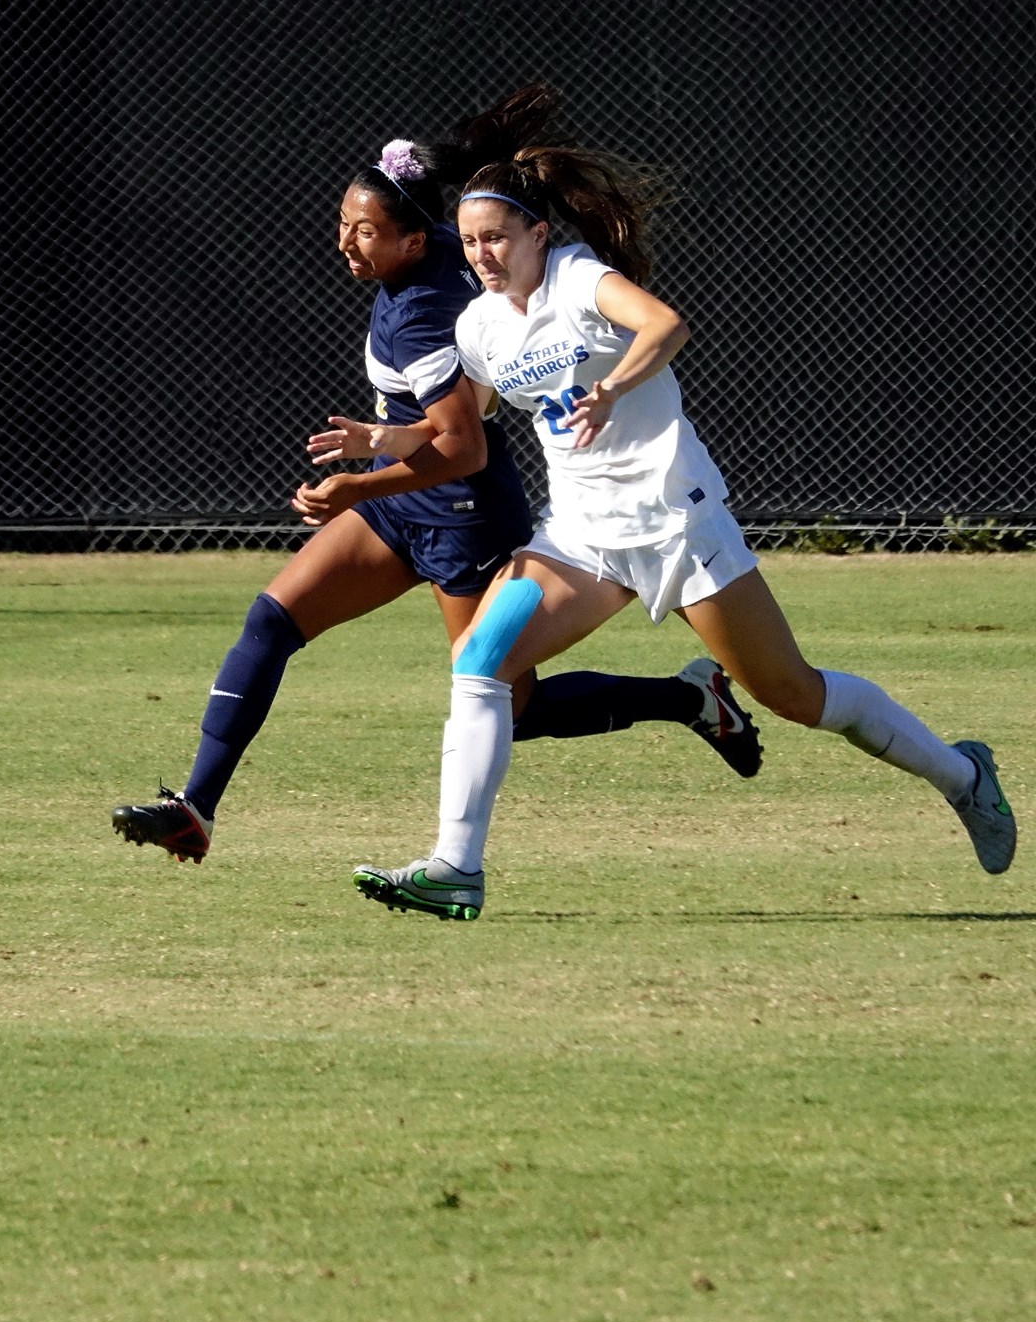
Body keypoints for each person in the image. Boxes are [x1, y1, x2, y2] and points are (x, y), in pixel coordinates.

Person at [351, 87, 1016, 921]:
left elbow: (665, 326)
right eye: (472, 239)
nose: (482, 253)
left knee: (793, 694)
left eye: (497, 238)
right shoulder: (480, 325)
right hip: (581, 538)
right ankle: (456, 866)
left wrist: (611, 387)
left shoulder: (578, 277)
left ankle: (964, 774)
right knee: (480, 662)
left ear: (538, 234)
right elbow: (469, 418)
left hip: (676, 522)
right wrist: (390, 438)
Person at [112, 89, 763, 866]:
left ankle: (688, 697)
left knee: (509, 702)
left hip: (461, 511)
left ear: (415, 241)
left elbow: (463, 449)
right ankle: (195, 807)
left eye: (366, 230)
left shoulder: (421, 313)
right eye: (344, 222)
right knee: (272, 621)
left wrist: (356, 486)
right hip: (401, 496)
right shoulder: (443, 254)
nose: (346, 241)